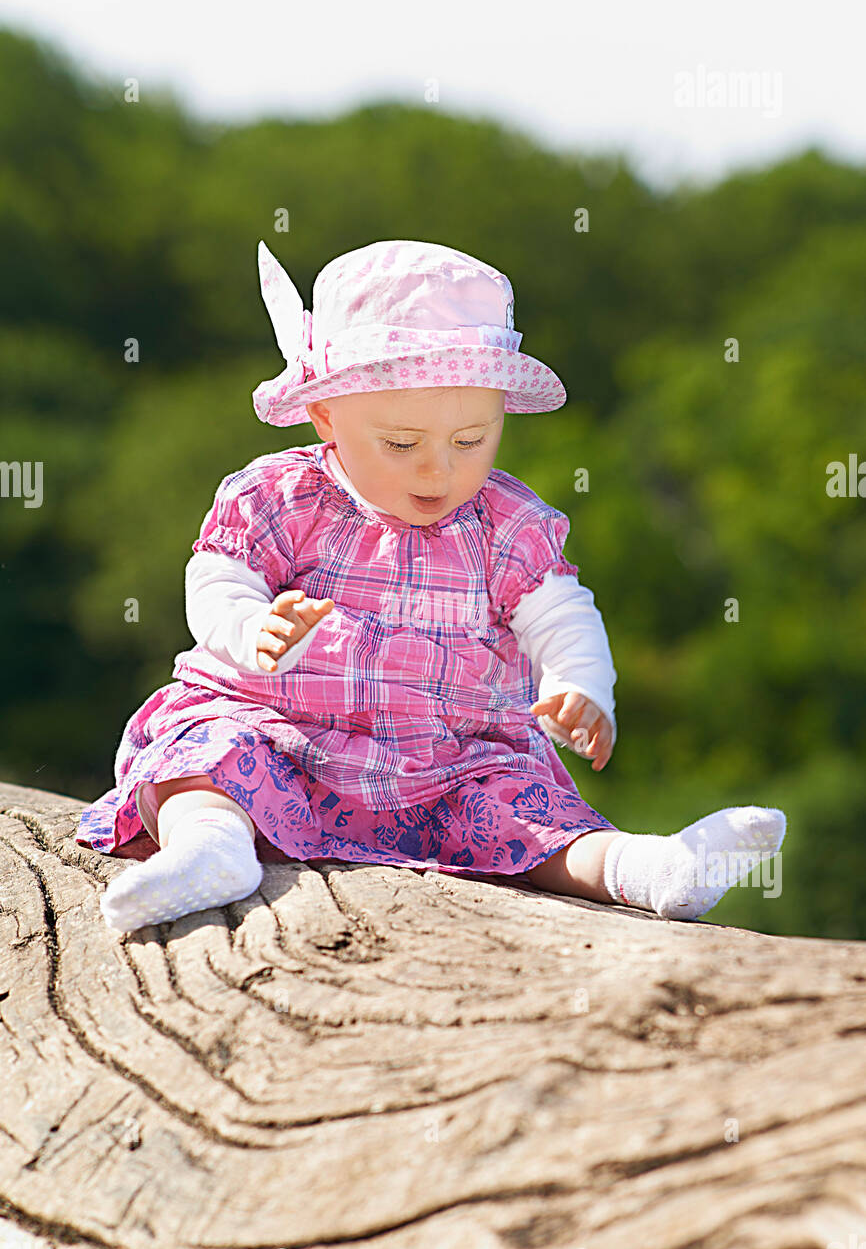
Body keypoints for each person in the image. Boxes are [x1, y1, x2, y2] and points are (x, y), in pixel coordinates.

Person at [75, 238, 786, 934]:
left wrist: (581, 684)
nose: (438, 473)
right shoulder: (283, 495)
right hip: (278, 727)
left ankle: (647, 868)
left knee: (521, 811)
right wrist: (250, 627)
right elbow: (218, 575)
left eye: (471, 441)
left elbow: (561, 611)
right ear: (326, 414)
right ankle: (212, 848)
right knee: (207, 752)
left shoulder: (505, 524)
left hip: (445, 762)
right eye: (403, 445)